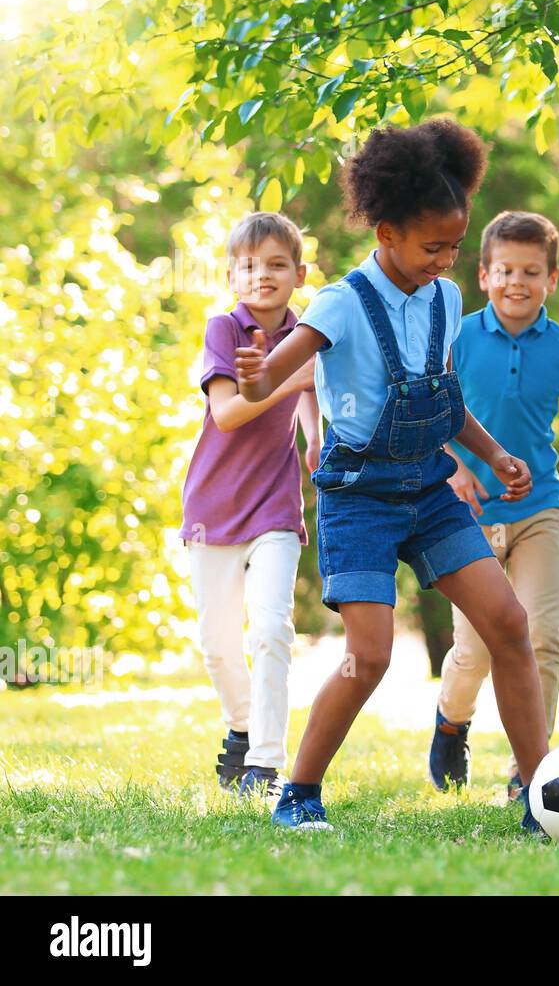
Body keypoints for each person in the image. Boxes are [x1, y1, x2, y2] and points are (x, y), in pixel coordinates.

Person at [234, 119, 549, 832]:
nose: (446, 260)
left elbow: (441, 394)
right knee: (369, 656)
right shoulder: (343, 302)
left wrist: (492, 453)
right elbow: (270, 382)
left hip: (429, 490)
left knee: (508, 622)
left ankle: (537, 791)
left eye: (455, 246)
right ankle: (300, 790)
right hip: (359, 500)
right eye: (432, 246)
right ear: (386, 232)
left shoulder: (442, 300)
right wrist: (255, 378)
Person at [429, 211, 559, 797]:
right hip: (467, 514)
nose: (517, 282)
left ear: (551, 280)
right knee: (474, 650)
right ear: (483, 275)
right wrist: (454, 468)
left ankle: (529, 770)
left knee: (542, 641)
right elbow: (429, 408)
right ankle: (451, 723)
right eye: (505, 270)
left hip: (539, 510)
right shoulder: (455, 336)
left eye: (531, 272)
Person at [180, 212, 318, 801]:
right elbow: (229, 413)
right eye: (249, 266)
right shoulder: (223, 329)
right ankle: (241, 727)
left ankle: (264, 762)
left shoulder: (306, 333)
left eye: (276, 264)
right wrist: (289, 379)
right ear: (232, 276)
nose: (263, 275)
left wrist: (314, 437)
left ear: (299, 273)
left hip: (274, 506)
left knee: (270, 627)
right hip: (212, 505)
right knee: (217, 642)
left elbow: (314, 385)